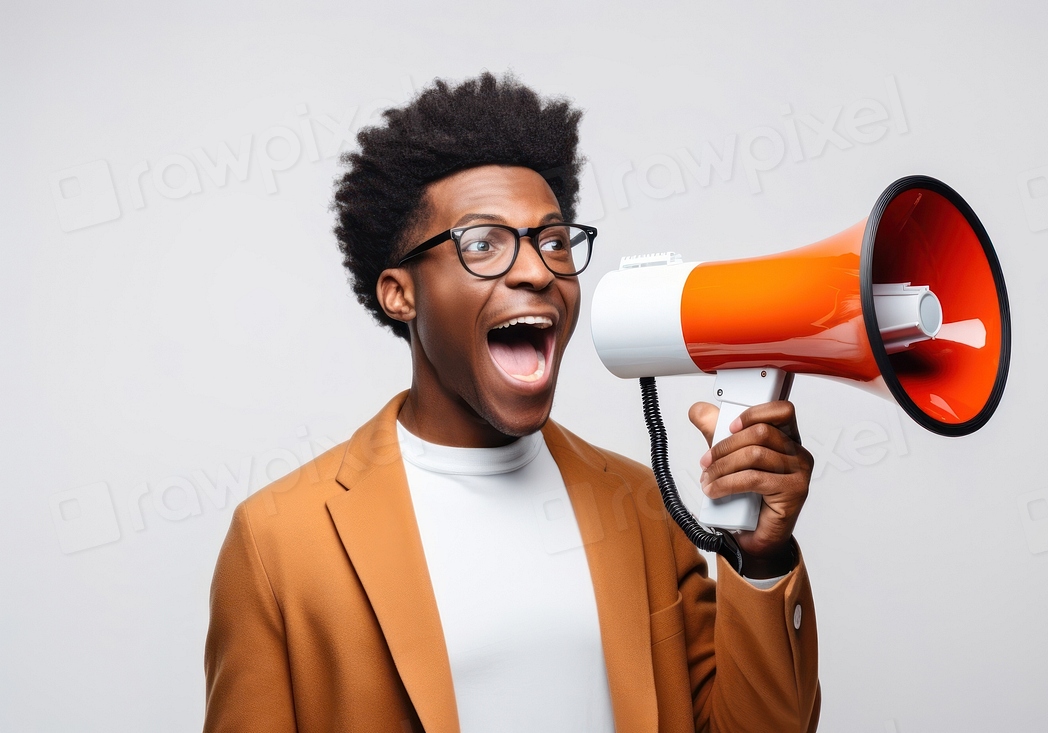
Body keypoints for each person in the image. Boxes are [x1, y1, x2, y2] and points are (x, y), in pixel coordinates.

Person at [203, 71, 820, 733]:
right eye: (482, 244)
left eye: (554, 241)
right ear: (399, 293)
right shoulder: (280, 540)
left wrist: (761, 560)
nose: (535, 270)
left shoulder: (644, 505)